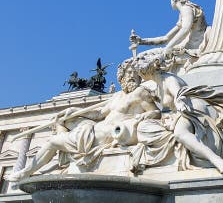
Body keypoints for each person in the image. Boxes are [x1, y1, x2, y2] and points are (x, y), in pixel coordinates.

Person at [9, 60, 161, 181]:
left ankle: (26, 172)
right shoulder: (117, 96)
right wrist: (73, 110)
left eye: (135, 73)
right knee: (63, 121)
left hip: (107, 135)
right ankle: (58, 164)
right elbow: (99, 114)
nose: (133, 76)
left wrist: (143, 117)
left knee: (52, 142)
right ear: (121, 77)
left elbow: (156, 112)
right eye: (129, 72)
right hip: (95, 129)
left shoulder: (140, 93)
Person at [128, 51, 223, 174]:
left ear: (144, 70)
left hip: (191, 108)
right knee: (143, 128)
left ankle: (216, 160)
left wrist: (179, 103)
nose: (139, 76)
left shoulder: (168, 79)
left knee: (180, 133)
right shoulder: (157, 84)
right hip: (179, 113)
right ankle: (172, 149)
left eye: (138, 72)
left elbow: (179, 94)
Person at [129, 0, 208, 74]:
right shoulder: (184, 12)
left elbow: (185, 29)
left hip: (191, 48)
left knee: (144, 59)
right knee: (143, 56)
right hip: (184, 47)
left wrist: (169, 47)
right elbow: (166, 38)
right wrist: (142, 41)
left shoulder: (186, 9)